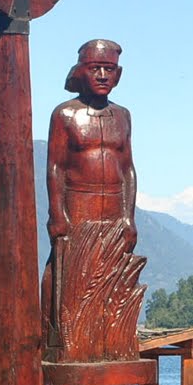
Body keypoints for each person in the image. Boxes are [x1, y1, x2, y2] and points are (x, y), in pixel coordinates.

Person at [41, 38, 141, 363]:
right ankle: (64, 341)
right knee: (67, 281)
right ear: (81, 71)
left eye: (108, 69)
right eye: (95, 68)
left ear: (118, 74)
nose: (101, 75)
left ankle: (111, 340)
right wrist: (57, 213)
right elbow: (54, 167)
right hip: (78, 209)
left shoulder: (123, 116)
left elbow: (127, 169)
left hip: (113, 209)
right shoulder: (65, 115)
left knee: (110, 282)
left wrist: (129, 217)